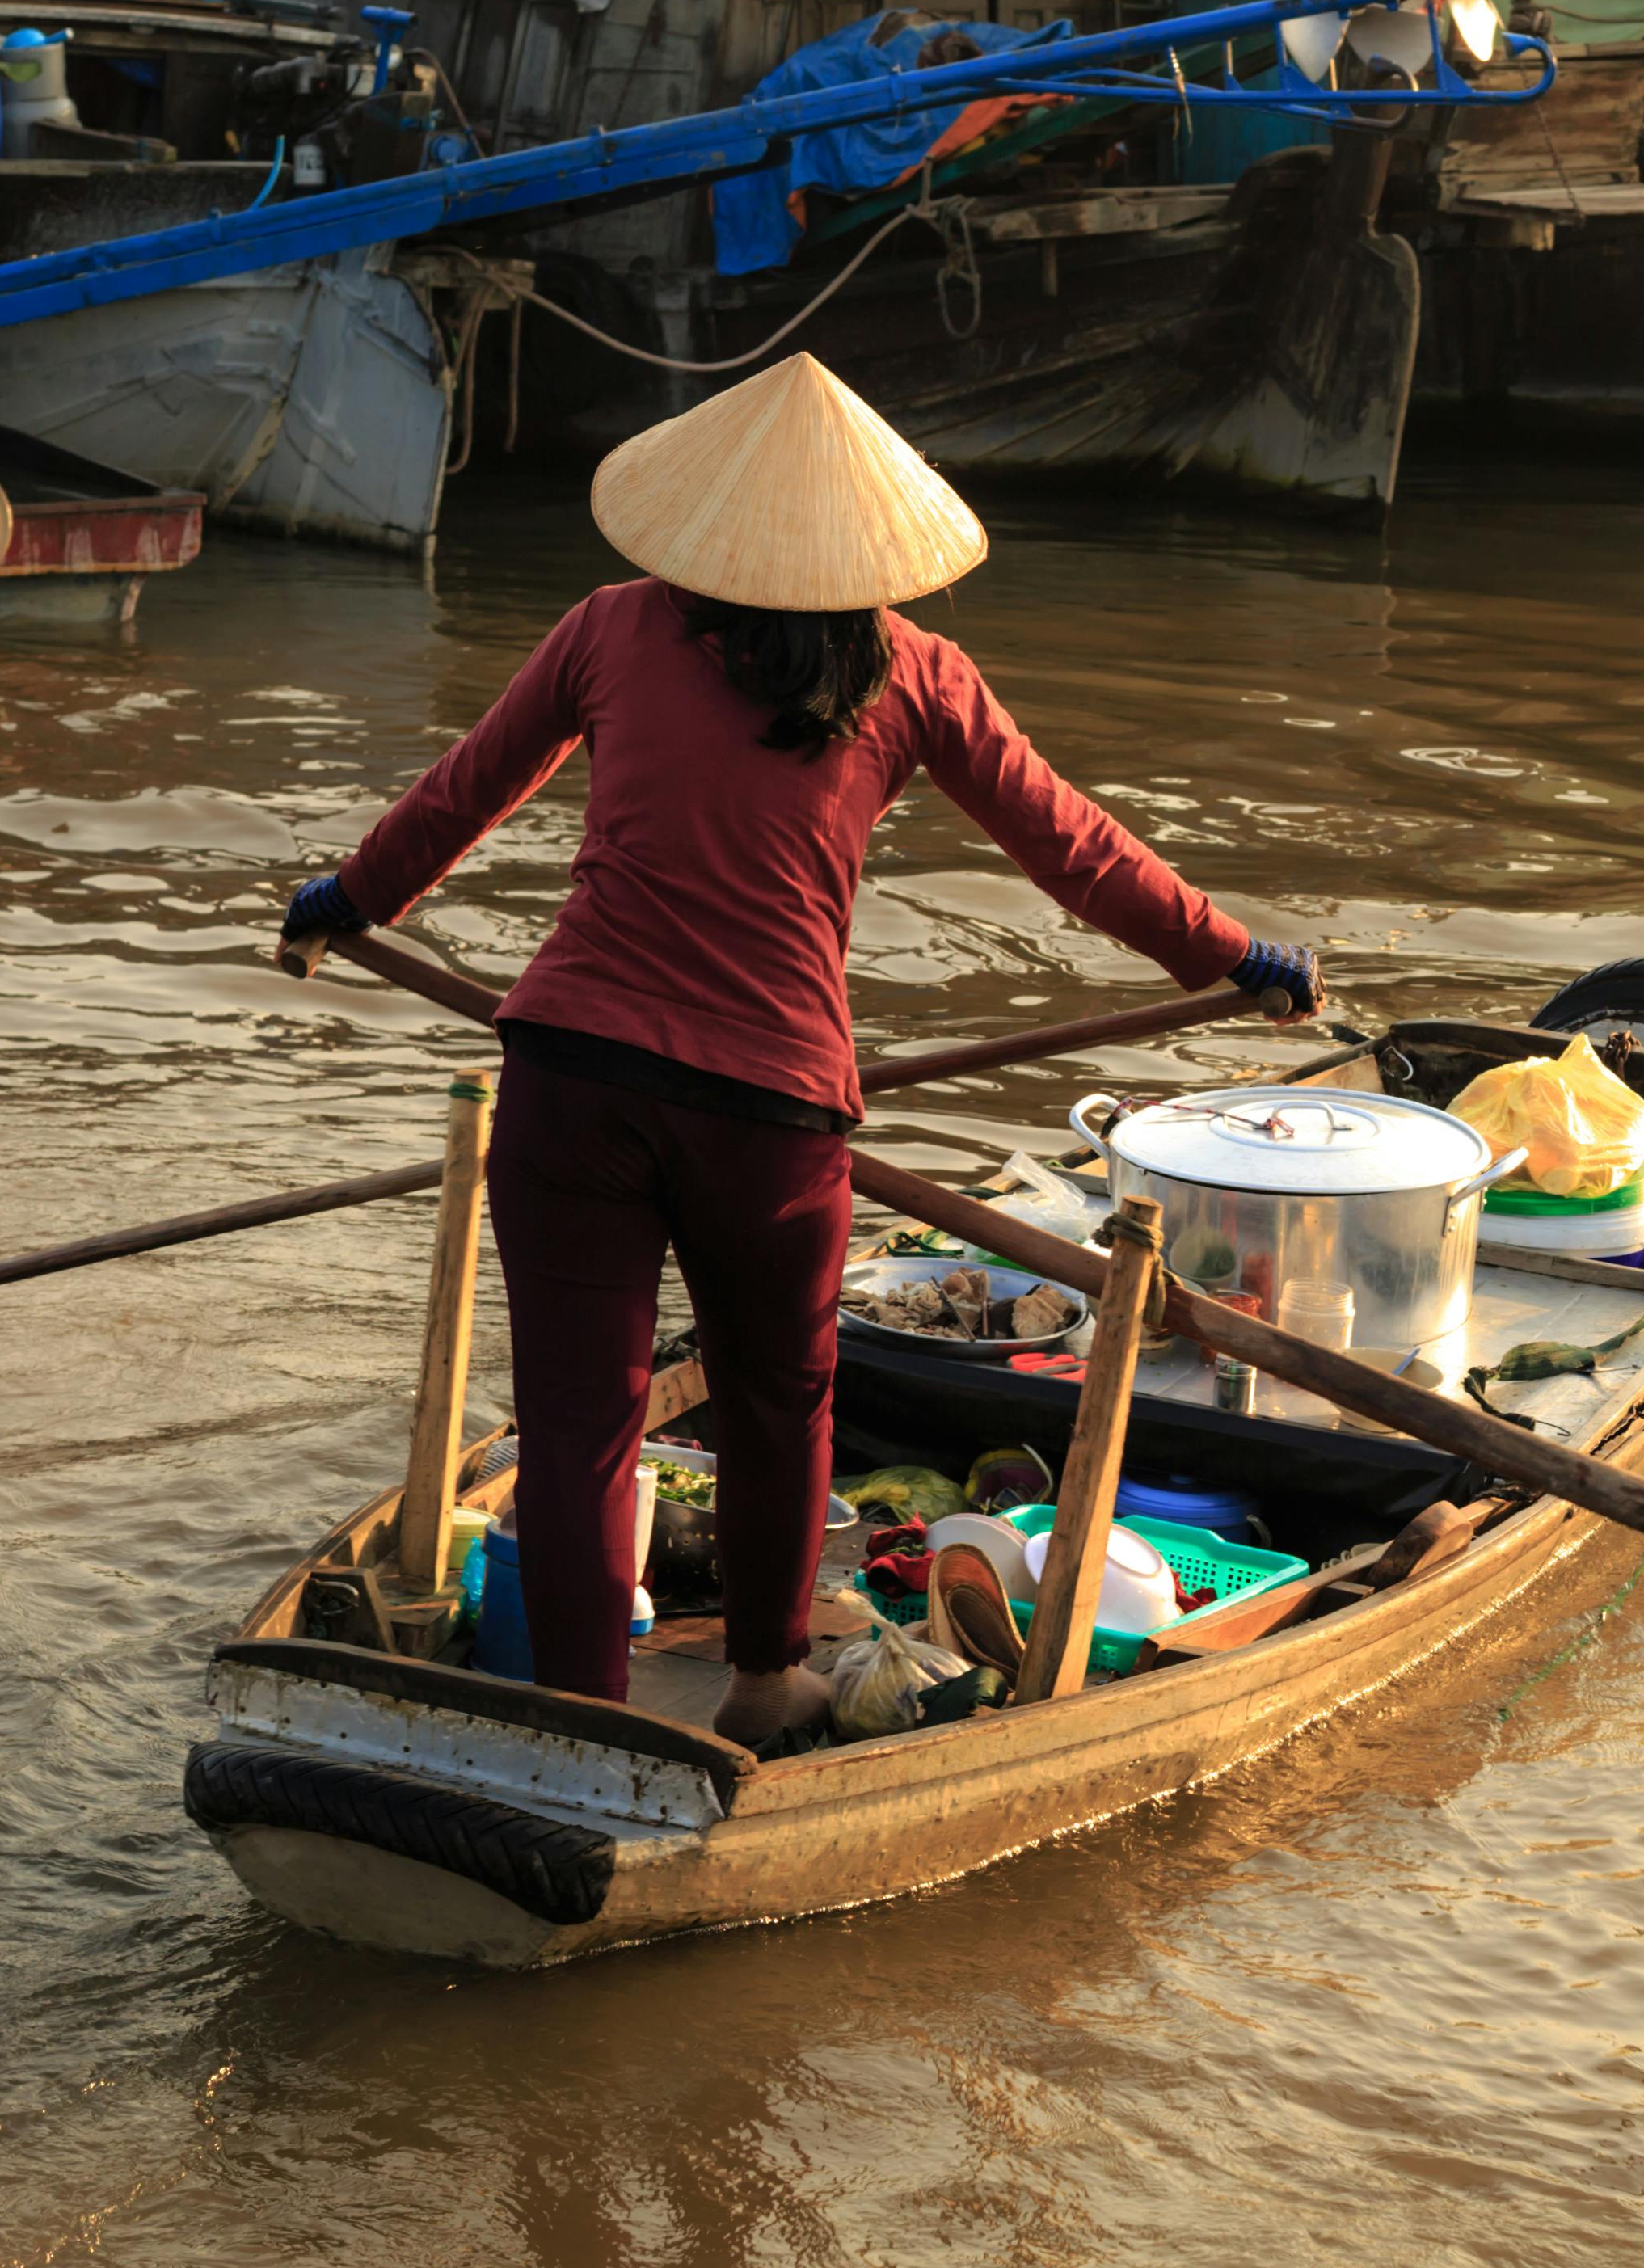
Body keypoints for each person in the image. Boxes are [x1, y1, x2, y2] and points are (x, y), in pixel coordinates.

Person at [280, 355, 1317, 1747]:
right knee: (780, 1399)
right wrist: (1233, 956)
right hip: (769, 1114)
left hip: (572, 1079)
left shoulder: (611, 626)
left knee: (584, 1422)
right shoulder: (916, 671)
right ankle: (767, 1677)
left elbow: (462, 793)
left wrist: (347, 904)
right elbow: (1074, 851)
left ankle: (585, 1725)